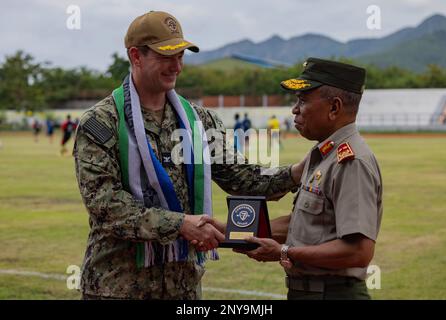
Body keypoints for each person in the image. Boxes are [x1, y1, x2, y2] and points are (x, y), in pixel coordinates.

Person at [73, 10, 304, 300]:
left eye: (181, 55)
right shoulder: (102, 122)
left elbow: (242, 179)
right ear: (136, 56)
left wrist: (297, 172)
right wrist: (180, 224)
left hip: (183, 288)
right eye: (166, 56)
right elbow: (104, 204)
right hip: (116, 287)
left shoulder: (200, 120)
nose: (177, 66)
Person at [235, 58, 383, 300]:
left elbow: (358, 251)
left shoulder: (350, 161)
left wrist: (284, 252)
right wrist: (234, 231)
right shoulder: (323, 155)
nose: (294, 109)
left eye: (302, 100)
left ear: (334, 108)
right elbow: (304, 225)